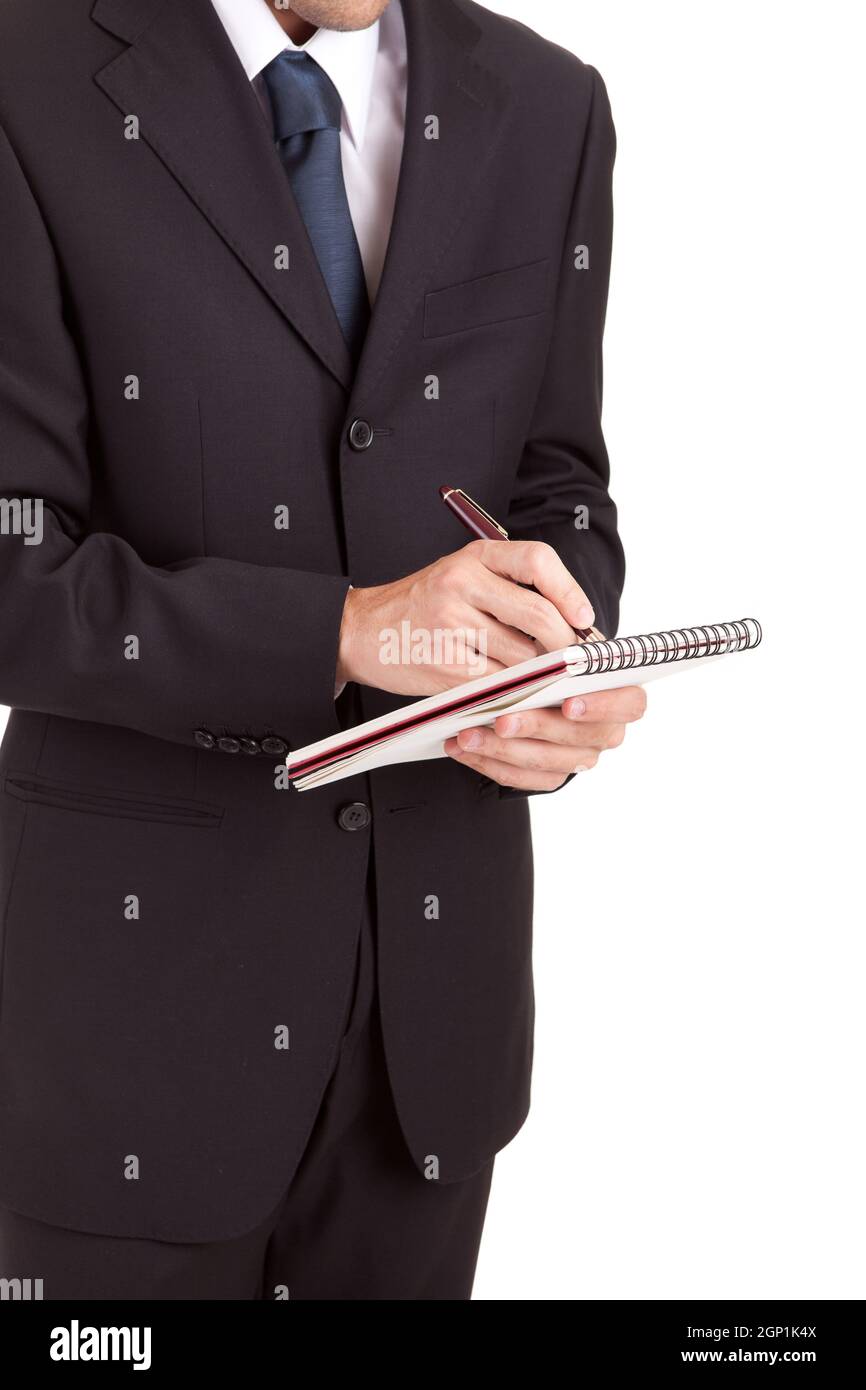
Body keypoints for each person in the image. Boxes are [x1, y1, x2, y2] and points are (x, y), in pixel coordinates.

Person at [0, 0, 645, 1299]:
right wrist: (348, 629)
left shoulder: (548, 102)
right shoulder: (26, 76)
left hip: (429, 1042)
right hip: (131, 1040)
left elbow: (556, 483)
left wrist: (550, 650)